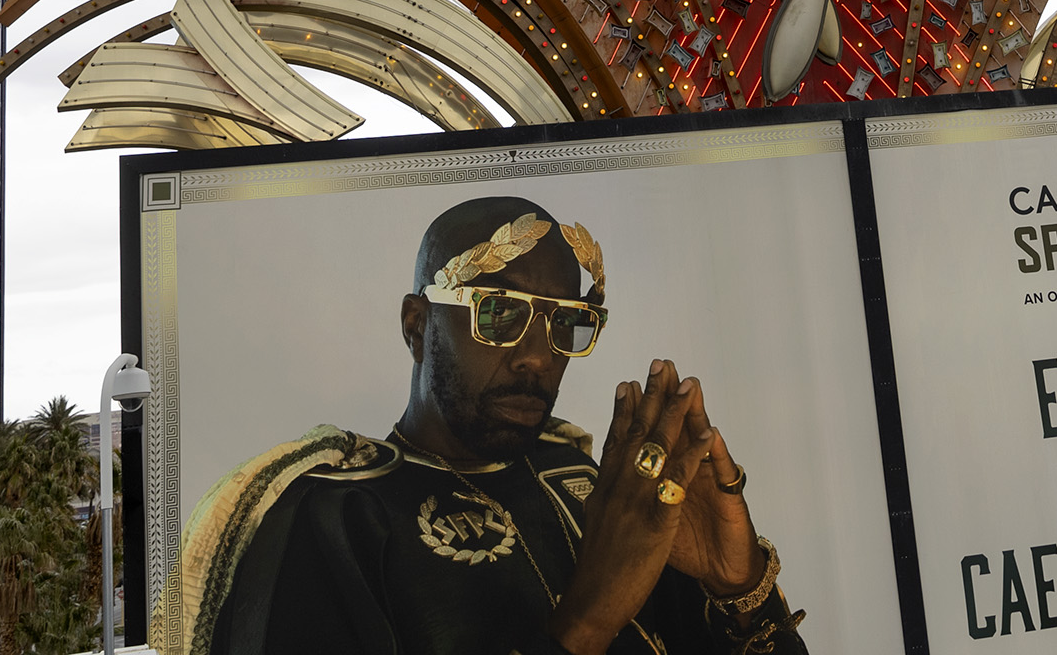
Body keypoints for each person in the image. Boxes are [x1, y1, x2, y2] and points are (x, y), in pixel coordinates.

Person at [162, 195, 801, 655]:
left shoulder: (595, 485)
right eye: (499, 313)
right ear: (417, 325)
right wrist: (586, 619)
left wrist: (739, 586)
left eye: (565, 323)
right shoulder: (335, 516)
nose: (538, 357)